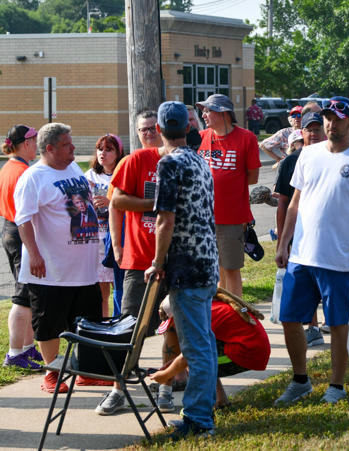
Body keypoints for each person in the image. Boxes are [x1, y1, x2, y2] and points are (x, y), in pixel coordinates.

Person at [274, 96, 349, 406]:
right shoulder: (308, 154)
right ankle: (300, 380)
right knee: (289, 317)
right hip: (302, 256)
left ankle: (336, 385)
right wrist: (283, 242)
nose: (331, 123)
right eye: (327, 118)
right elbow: (295, 202)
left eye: (338, 118)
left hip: (339, 259)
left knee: (337, 324)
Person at [144, 101, 220, 438]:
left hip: (186, 266)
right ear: (188, 129)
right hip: (207, 260)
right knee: (203, 341)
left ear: (159, 129)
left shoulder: (169, 164)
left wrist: (157, 262)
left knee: (197, 347)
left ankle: (199, 420)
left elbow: (165, 219)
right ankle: (202, 412)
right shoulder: (200, 161)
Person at [14, 123, 102, 393]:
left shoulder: (73, 168)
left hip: (84, 269)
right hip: (51, 270)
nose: (73, 148)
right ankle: (52, 374)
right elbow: (23, 219)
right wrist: (35, 254)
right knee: (49, 323)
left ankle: (86, 372)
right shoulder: (34, 177)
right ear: (49, 149)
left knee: (88, 322)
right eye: (66, 144)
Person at [100, 110, 170, 414]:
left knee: (172, 326)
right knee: (129, 326)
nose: (148, 134)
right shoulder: (133, 162)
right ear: (137, 133)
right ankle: (119, 388)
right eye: (142, 130)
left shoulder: (178, 160)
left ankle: (166, 386)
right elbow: (115, 204)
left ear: (161, 129)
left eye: (152, 129)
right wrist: (117, 244)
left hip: (173, 261)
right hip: (138, 259)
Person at [149, 289, 271, 410]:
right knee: (205, 349)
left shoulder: (199, 317)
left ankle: (201, 411)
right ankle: (221, 401)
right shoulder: (204, 307)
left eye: (174, 322)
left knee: (197, 359)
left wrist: (165, 375)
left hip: (247, 354)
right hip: (252, 352)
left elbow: (190, 355)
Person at [196, 93, 261, 298]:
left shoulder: (246, 138)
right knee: (214, 270)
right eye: (203, 111)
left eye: (208, 110)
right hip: (204, 218)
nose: (204, 115)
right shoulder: (201, 137)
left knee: (231, 268)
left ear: (223, 113)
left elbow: (252, 177)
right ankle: (223, 312)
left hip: (232, 217)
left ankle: (237, 314)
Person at [274, 112, 327, 347]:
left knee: (332, 282)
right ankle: (313, 327)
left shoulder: (338, 157)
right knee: (305, 284)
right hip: (300, 233)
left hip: (331, 234)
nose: (314, 134)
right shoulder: (291, 161)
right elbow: (284, 202)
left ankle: (341, 324)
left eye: (318, 129)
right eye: (309, 129)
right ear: (301, 133)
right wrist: (281, 241)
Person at [1, 125, 42, 370]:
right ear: (25, 144)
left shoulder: (9, 167)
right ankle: (15, 352)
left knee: (26, 292)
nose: (36, 145)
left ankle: (26, 347)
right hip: (20, 231)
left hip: (9, 229)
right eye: (34, 141)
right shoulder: (23, 171)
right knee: (23, 295)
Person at [84, 134, 125, 317]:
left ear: (118, 153)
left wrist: (111, 204)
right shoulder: (90, 176)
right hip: (96, 238)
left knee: (120, 287)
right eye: (100, 149)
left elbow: (131, 206)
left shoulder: (124, 173)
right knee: (100, 291)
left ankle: (119, 322)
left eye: (109, 149)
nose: (103, 153)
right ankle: (102, 326)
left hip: (117, 238)